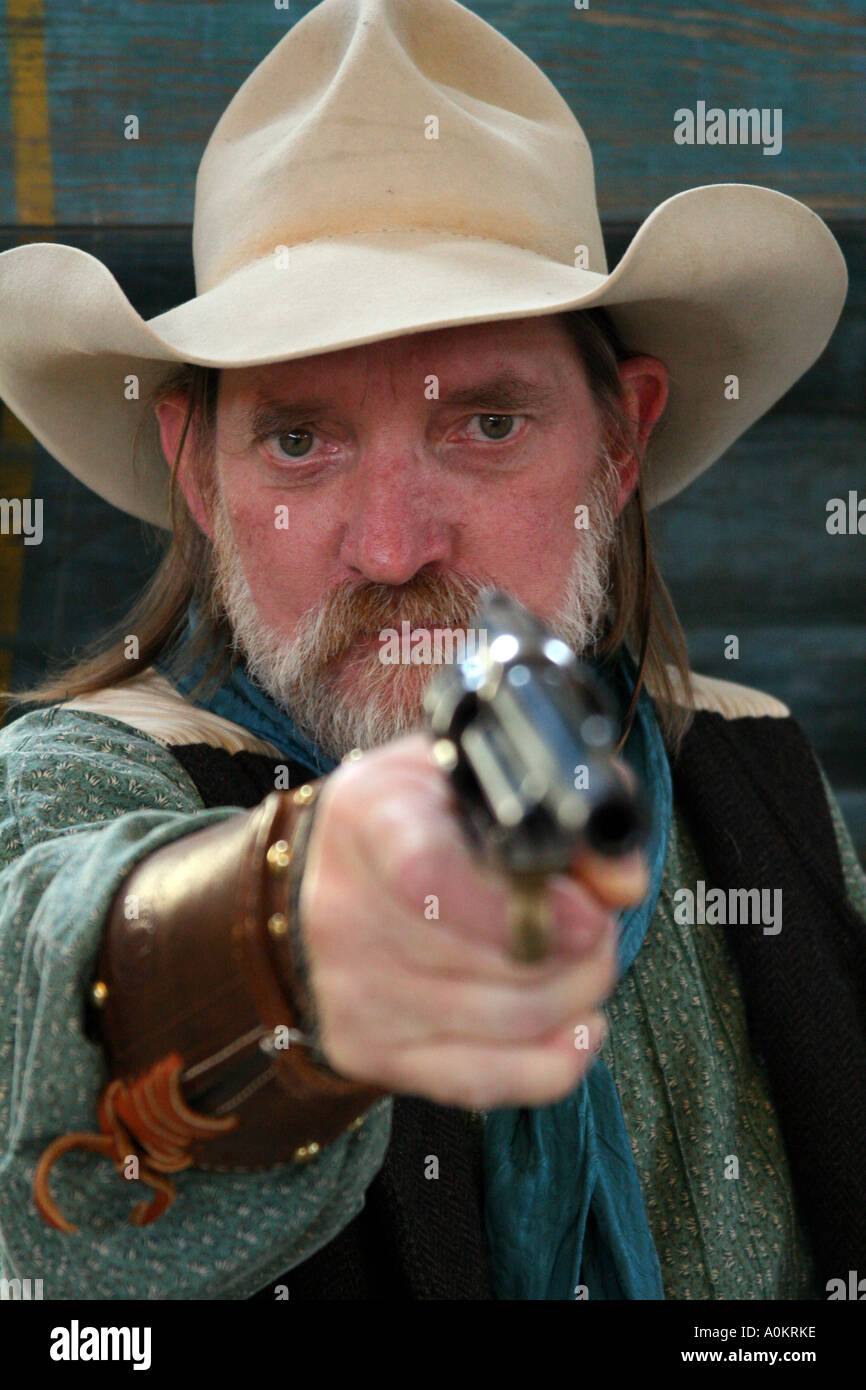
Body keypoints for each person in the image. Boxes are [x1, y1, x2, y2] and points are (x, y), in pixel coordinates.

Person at [0, 0, 863, 1302]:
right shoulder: (82, 774)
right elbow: (42, 951)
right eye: (299, 439)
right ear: (199, 473)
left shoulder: (756, 771)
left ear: (620, 444)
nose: (393, 547)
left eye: (487, 422)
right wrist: (283, 939)